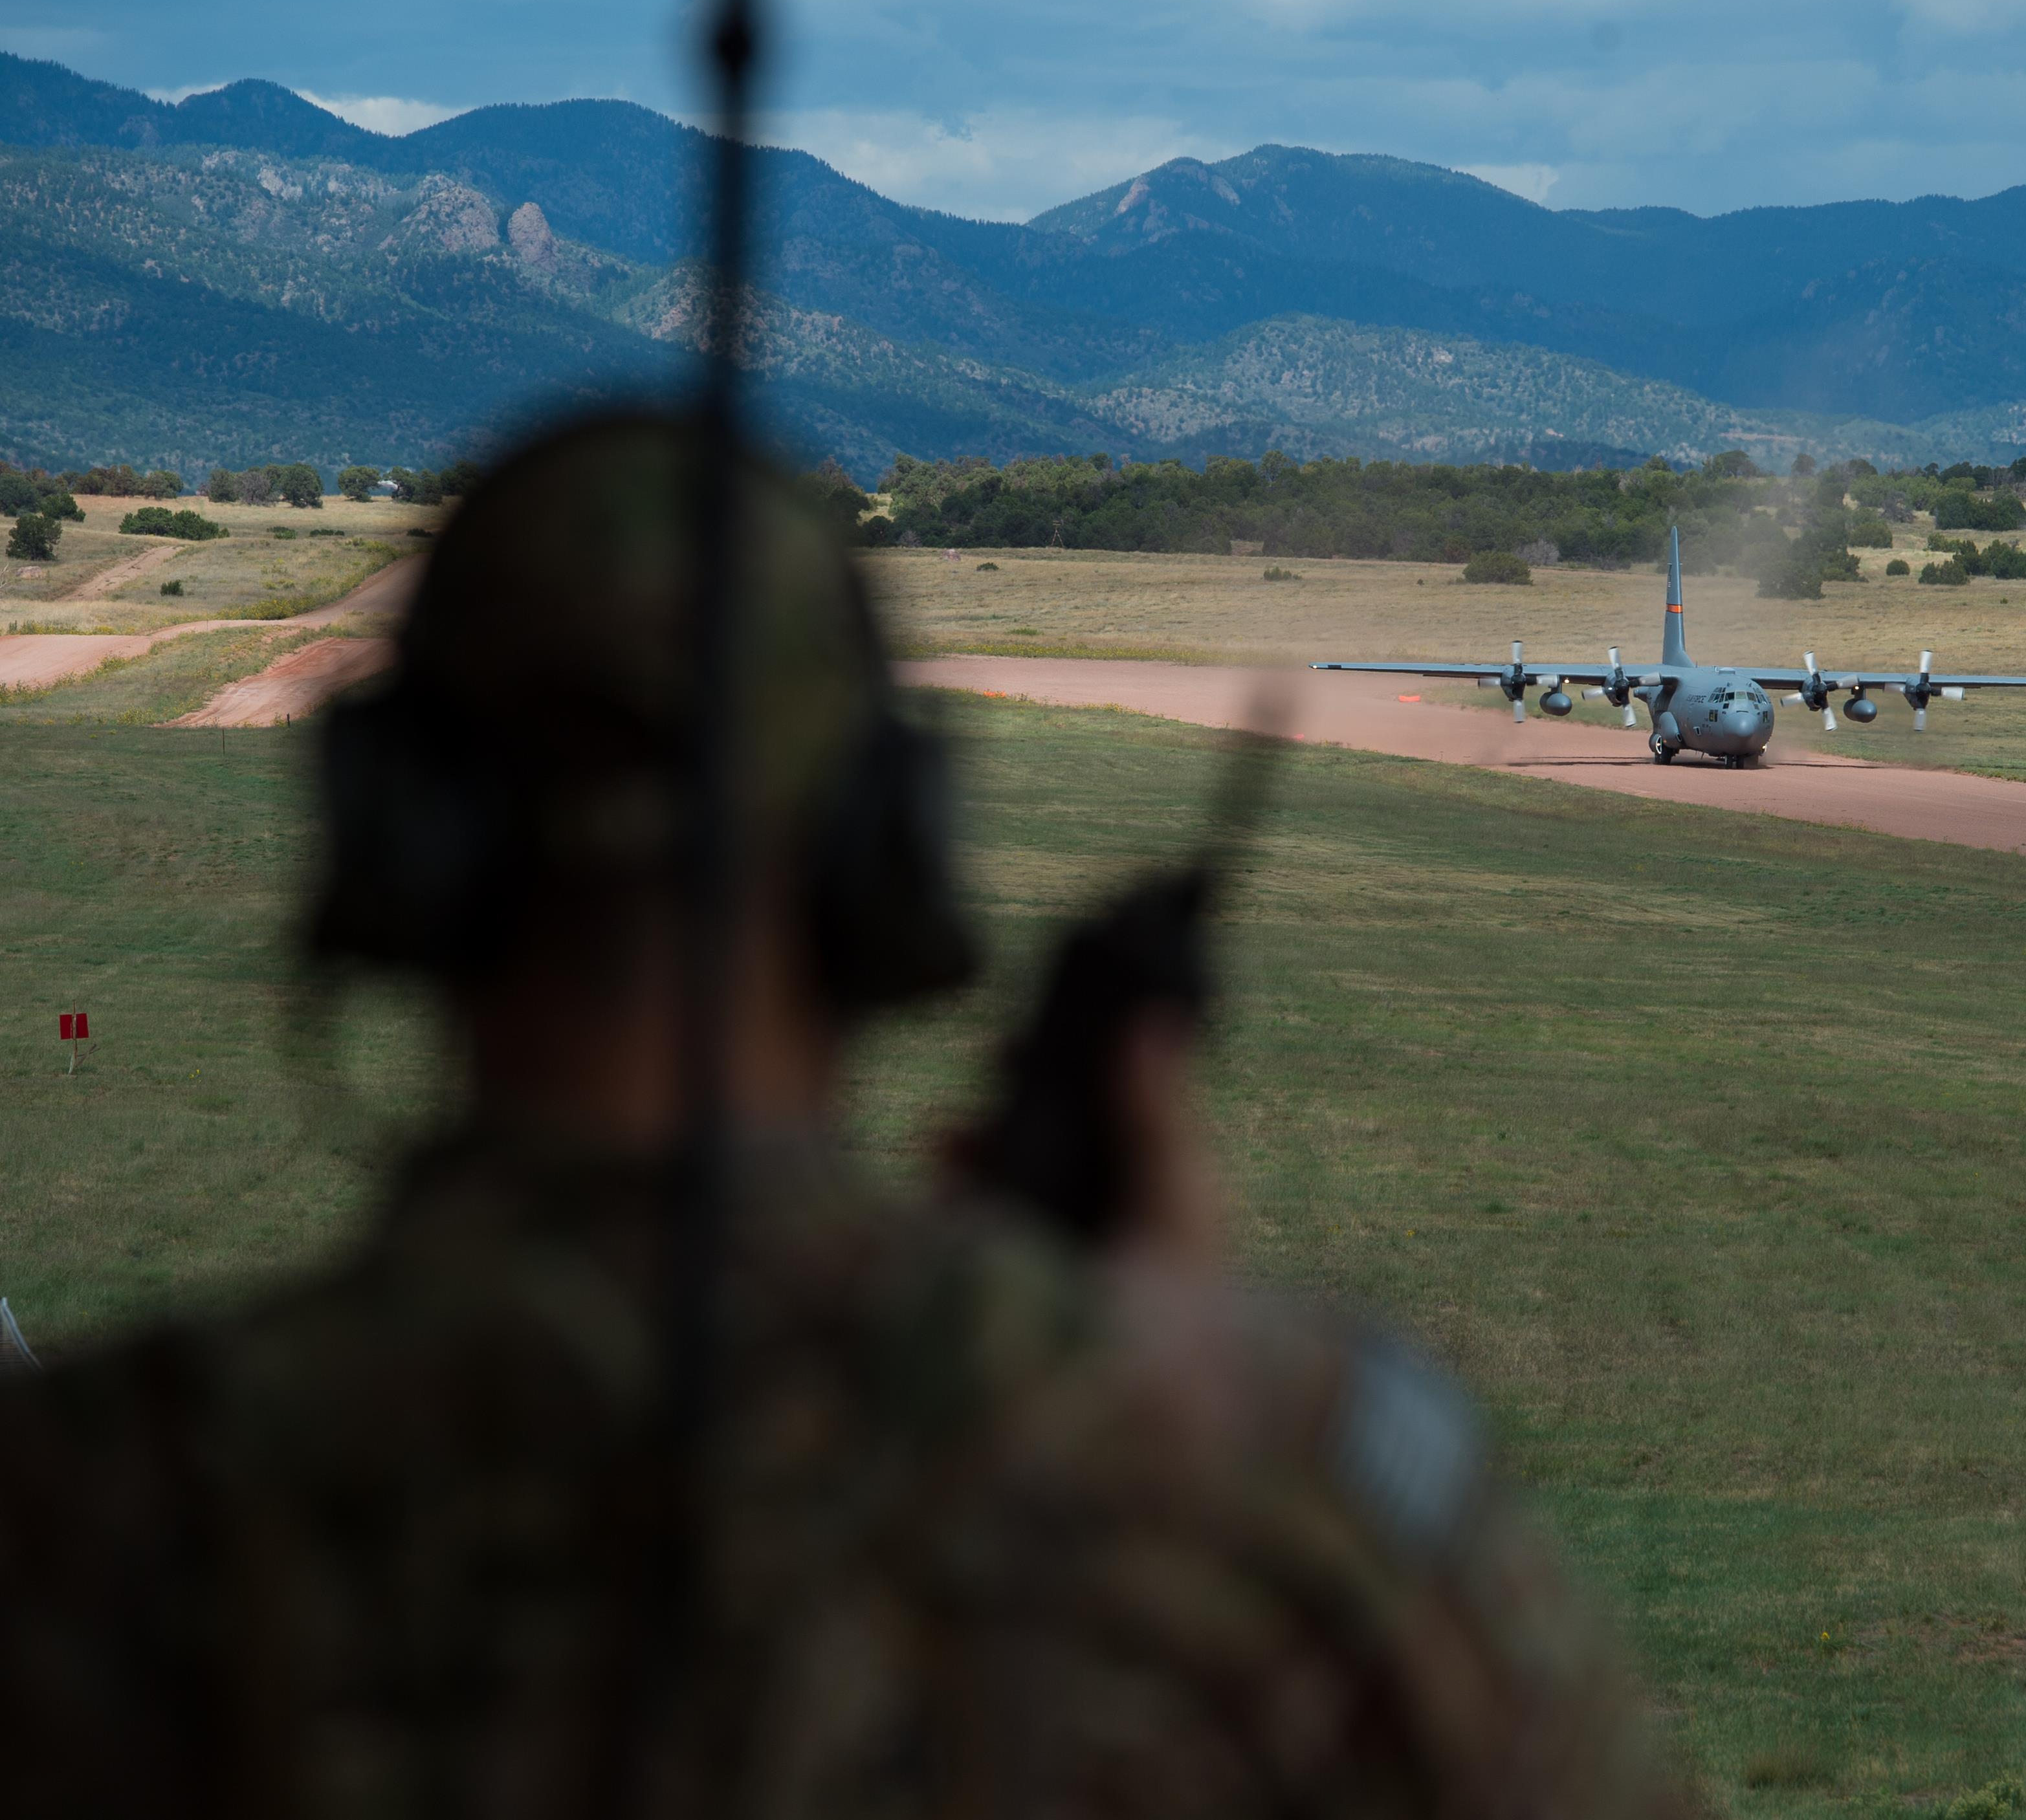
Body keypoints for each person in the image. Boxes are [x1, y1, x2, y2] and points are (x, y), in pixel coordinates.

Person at [0, 413, 1688, 1819]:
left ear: (389, 850)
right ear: (886, 861)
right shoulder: (1292, 1507)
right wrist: (1165, 1385)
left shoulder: (87, 1498)